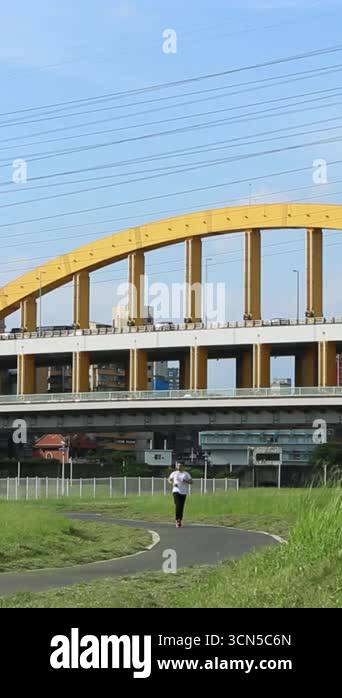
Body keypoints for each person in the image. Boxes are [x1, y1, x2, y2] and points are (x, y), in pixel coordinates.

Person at [168, 461, 192, 528]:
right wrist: (173, 483)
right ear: (176, 466)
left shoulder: (186, 474)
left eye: (180, 466)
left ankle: (179, 520)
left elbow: (191, 482)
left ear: (183, 466)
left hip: (183, 492)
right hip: (176, 491)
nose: (178, 467)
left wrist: (186, 481)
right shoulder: (174, 473)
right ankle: (177, 519)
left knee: (181, 506)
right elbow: (169, 479)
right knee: (178, 504)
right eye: (177, 466)